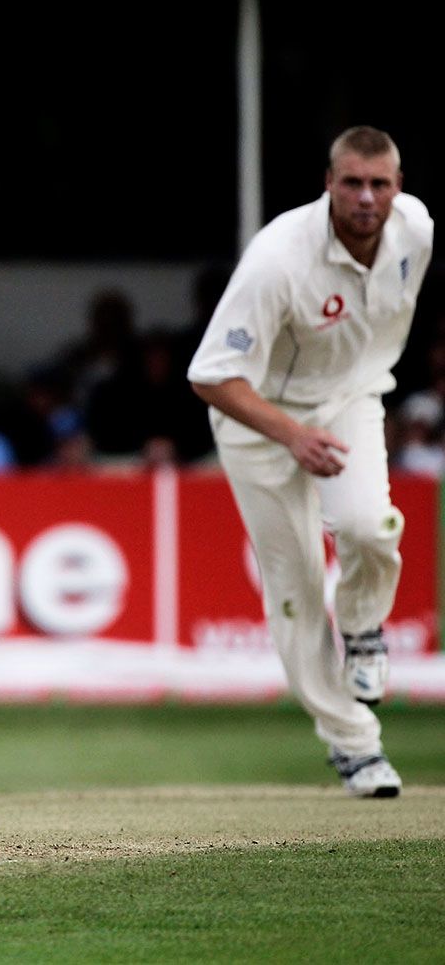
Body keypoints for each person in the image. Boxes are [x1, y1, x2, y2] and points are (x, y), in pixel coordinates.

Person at [187, 126, 432, 798]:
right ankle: (355, 745)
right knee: (294, 589)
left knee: (368, 526)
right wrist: (291, 433)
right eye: (351, 182)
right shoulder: (278, 259)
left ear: (398, 189)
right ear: (328, 183)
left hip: (348, 398)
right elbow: (209, 375)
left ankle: (362, 627)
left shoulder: (416, 230)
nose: (365, 197)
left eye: (379, 184)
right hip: (256, 419)